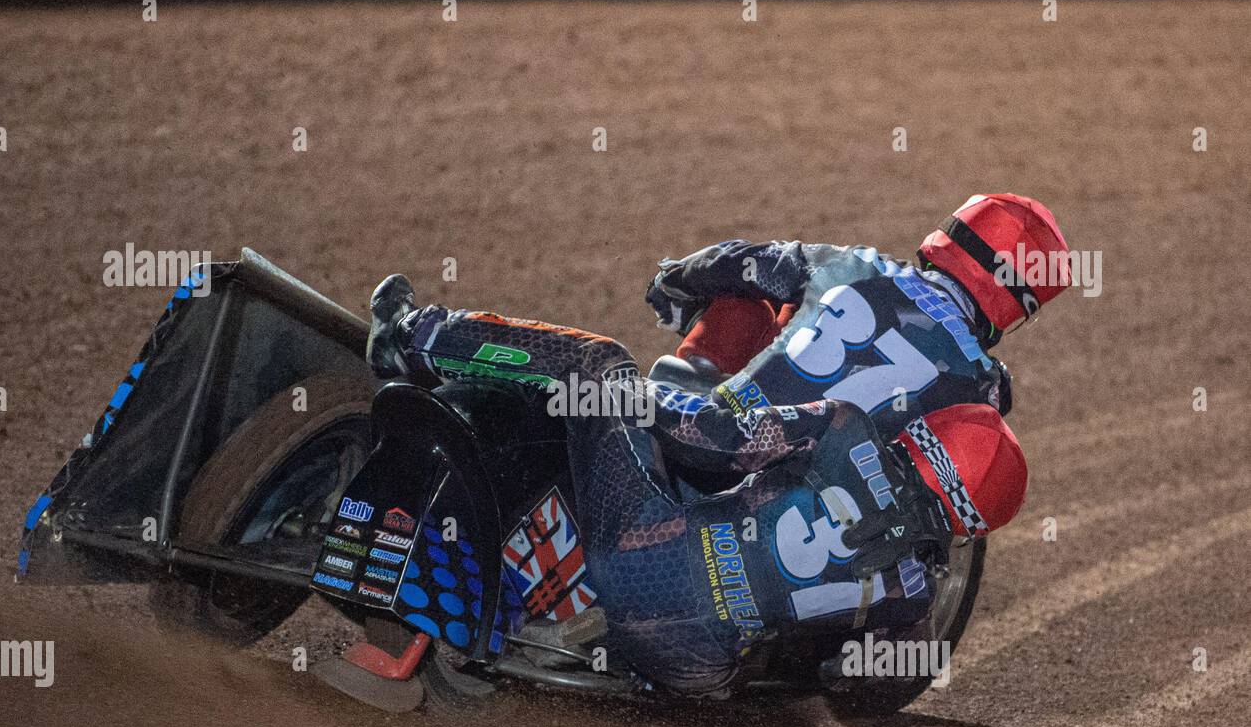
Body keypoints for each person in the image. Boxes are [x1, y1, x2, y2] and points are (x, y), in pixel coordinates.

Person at [367, 275, 1027, 695]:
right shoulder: (914, 591)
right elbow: (836, 675)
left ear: (932, 437)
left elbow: (713, 439)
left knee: (600, 363)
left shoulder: (845, 431)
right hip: (696, 666)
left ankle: (410, 338)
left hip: (639, 563)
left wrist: (641, 401)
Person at [644, 193, 1070, 441]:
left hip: (712, 425)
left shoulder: (857, 265)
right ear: (1016, 303)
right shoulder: (985, 384)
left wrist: (675, 283)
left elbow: (739, 262)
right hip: (796, 503)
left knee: (754, 303)